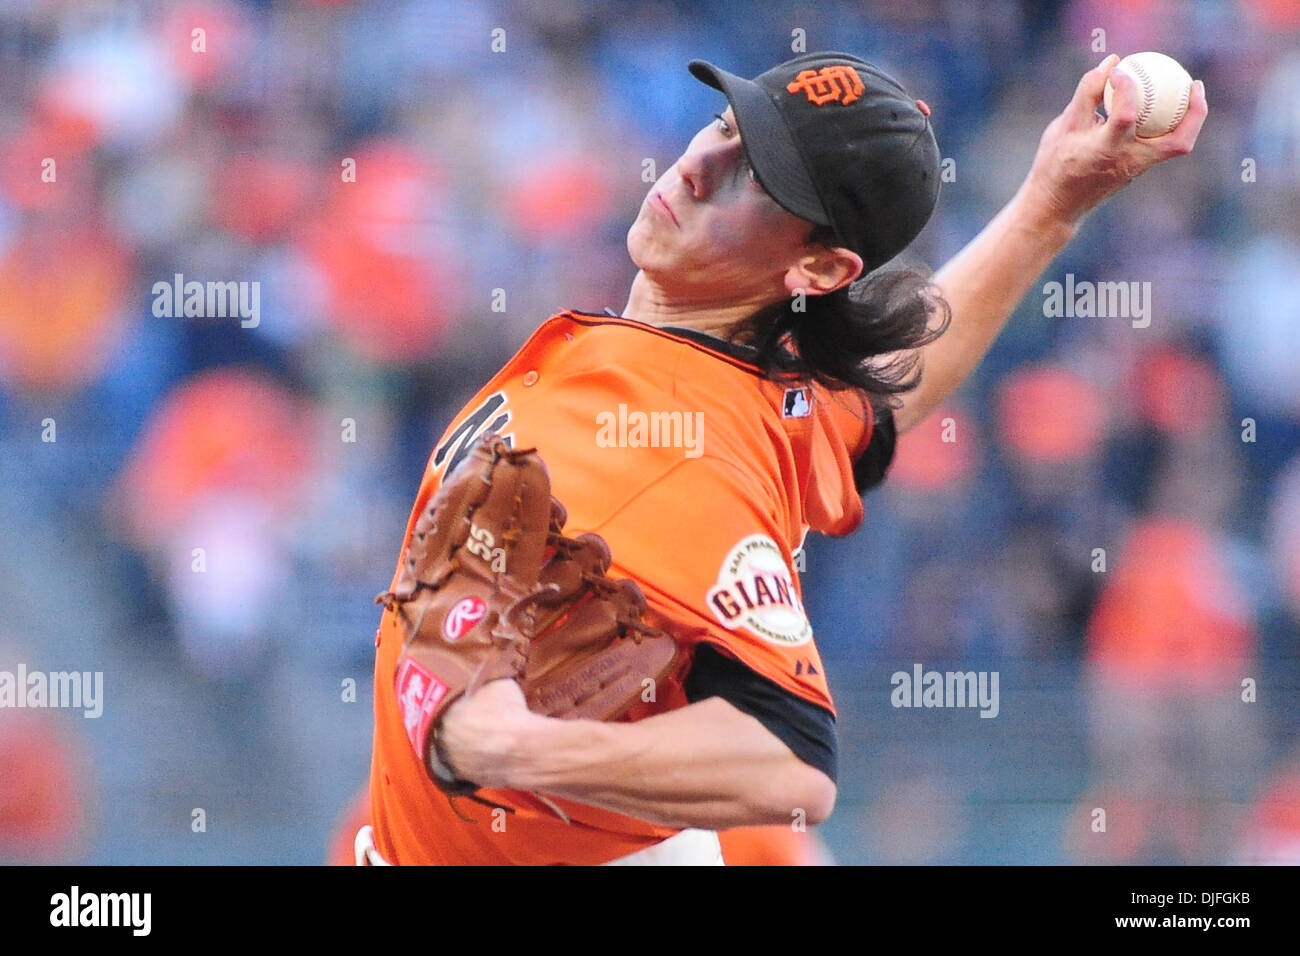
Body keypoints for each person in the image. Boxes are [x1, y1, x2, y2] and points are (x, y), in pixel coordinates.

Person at [362, 51, 1206, 866]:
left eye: (756, 176)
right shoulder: (762, 387)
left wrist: (514, 745)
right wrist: (1051, 201)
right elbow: (886, 401)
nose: (698, 164)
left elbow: (790, 761)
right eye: (725, 126)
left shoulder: (673, 444)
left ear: (820, 266)